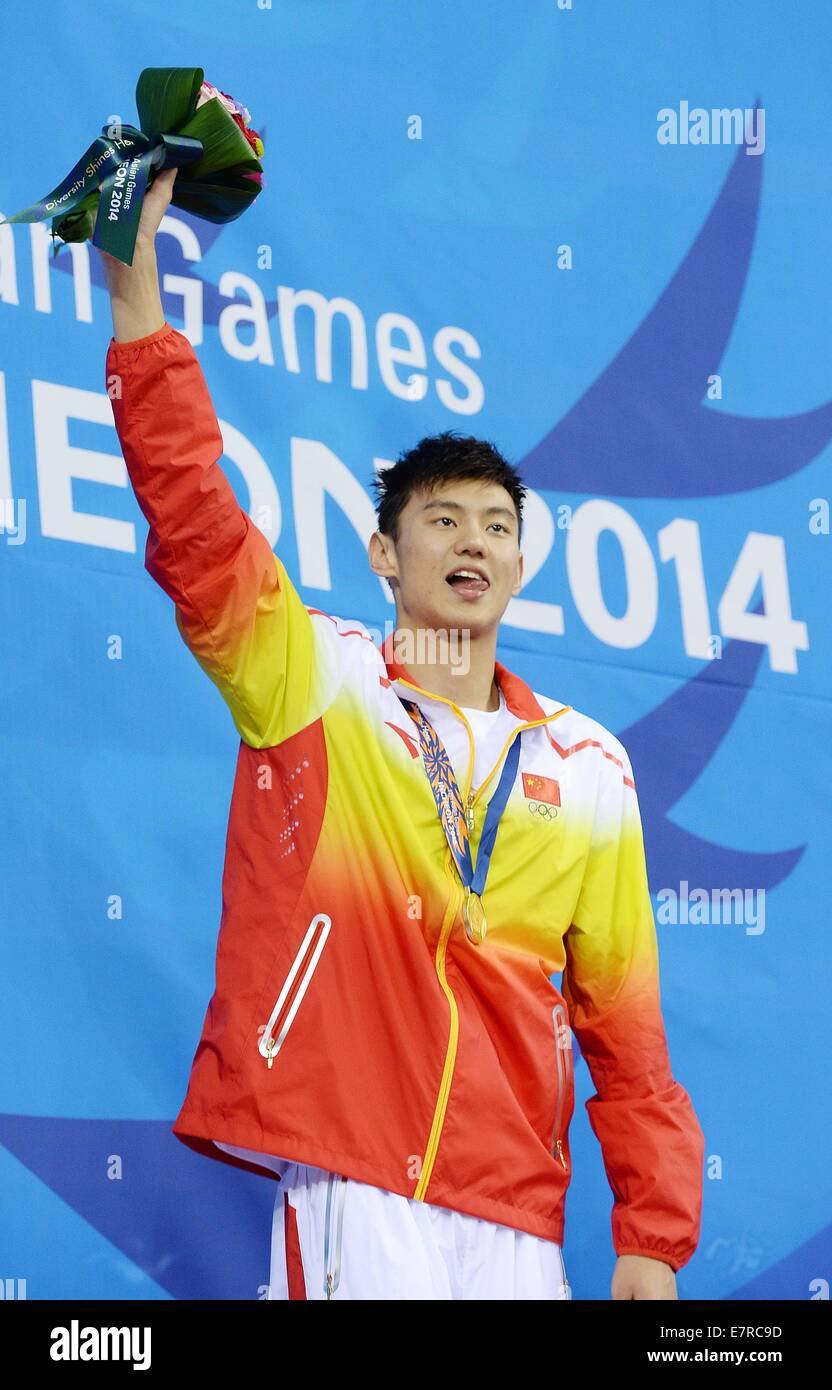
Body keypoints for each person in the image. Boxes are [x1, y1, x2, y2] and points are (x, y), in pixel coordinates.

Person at [99, 168, 705, 1301]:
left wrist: (650, 1231)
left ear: (519, 566)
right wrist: (139, 309)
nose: (470, 541)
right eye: (439, 520)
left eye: (494, 526)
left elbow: (624, 1025)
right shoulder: (316, 680)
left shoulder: (589, 769)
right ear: (387, 555)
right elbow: (195, 521)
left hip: (515, 1215)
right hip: (355, 1185)